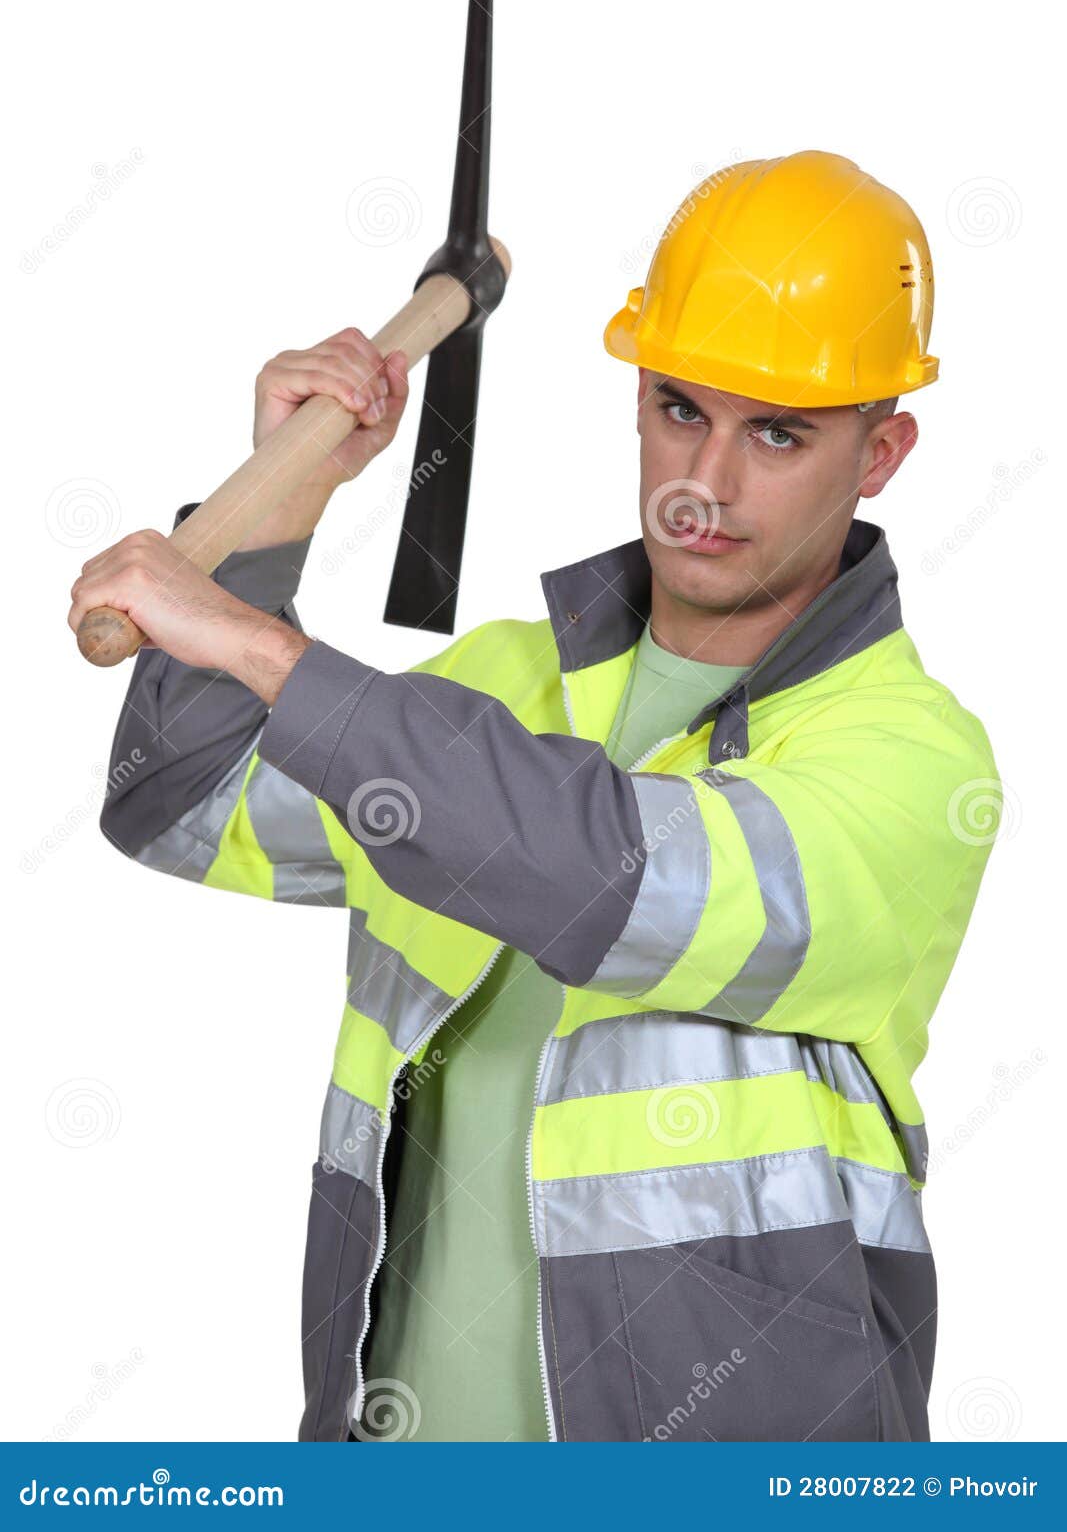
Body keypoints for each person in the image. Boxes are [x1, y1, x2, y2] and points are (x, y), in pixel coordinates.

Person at [73, 150, 1001, 1443]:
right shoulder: (501, 690)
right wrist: (278, 510)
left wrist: (271, 653)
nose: (708, 481)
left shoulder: (910, 760)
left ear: (883, 447)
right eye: (682, 406)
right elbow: (178, 802)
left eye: (779, 431)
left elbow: (615, 875)